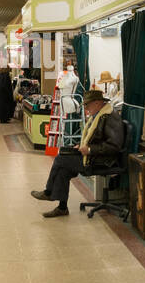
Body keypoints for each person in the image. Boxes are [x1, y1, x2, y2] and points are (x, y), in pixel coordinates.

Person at [32, 89, 124, 218]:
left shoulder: (110, 117)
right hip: (95, 156)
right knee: (63, 168)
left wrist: (90, 149)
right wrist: (82, 146)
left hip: (103, 160)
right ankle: (62, 208)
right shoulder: (100, 115)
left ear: (98, 103)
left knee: (60, 159)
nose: (85, 108)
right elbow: (96, 138)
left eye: (87, 105)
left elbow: (114, 146)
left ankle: (48, 192)